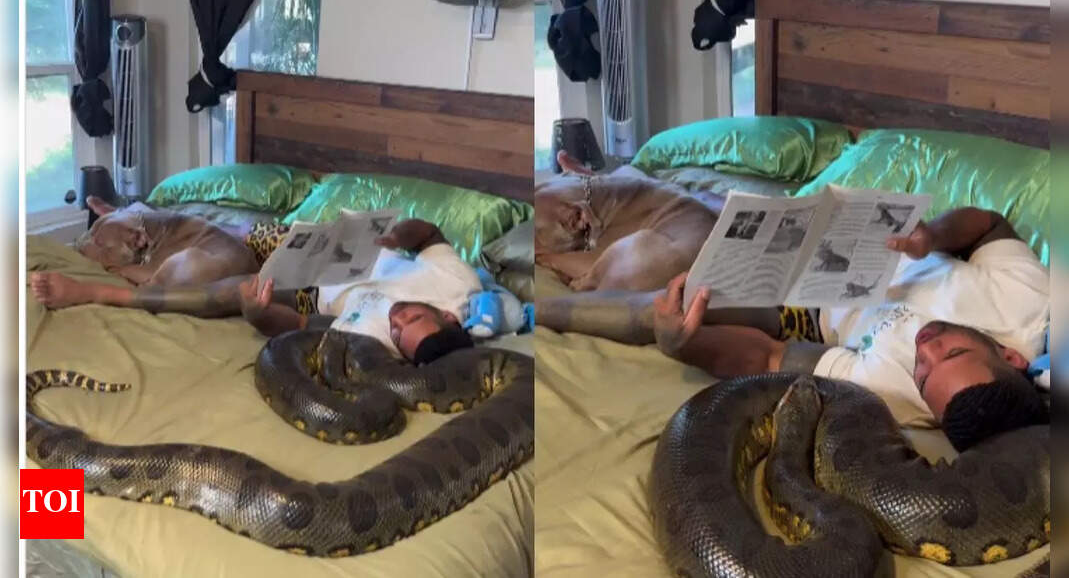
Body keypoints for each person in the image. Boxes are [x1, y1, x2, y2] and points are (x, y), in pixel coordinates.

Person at [541, 206, 1049, 450]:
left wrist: (682, 346)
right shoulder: (1027, 305)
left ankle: (535, 312)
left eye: (923, 372)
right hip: (864, 235)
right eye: (954, 352)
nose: (926, 347)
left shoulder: (891, 396)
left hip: (810, 307)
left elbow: (768, 357)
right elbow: (989, 224)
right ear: (1011, 358)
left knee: (661, 311)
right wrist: (932, 235)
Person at [31, 219, 480, 365]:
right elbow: (430, 234)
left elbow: (301, 324)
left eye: (399, 333)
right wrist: (402, 235)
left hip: (310, 291)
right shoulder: (457, 285)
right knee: (248, 232)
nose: (396, 319)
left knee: (233, 291)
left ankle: (98, 292)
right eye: (412, 318)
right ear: (448, 316)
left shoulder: (373, 345)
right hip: (334, 246)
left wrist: (257, 314)